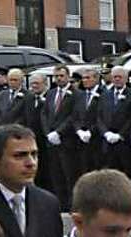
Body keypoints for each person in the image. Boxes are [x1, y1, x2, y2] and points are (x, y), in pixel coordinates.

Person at [42, 65, 78, 210]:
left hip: (67, 140)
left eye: (61, 76)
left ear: (68, 76)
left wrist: (59, 132)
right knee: (55, 174)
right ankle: (60, 203)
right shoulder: (51, 93)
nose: (58, 79)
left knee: (69, 173)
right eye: (56, 76)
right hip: (51, 139)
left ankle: (71, 204)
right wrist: (48, 132)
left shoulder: (76, 94)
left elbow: (74, 116)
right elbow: (44, 114)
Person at [98, 66, 131, 175]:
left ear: (125, 78)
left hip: (124, 143)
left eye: (119, 77)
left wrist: (120, 135)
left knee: (127, 173)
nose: (117, 79)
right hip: (108, 142)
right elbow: (99, 116)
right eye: (115, 77)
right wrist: (105, 133)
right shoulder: (105, 94)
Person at [73, 69, 103, 178]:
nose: (84, 80)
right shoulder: (80, 95)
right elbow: (74, 116)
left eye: (87, 78)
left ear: (96, 79)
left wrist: (91, 131)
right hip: (81, 141)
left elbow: (102, 117)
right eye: (83, 78)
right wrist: (78, 130)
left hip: (97, 140)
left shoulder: (103, 94)